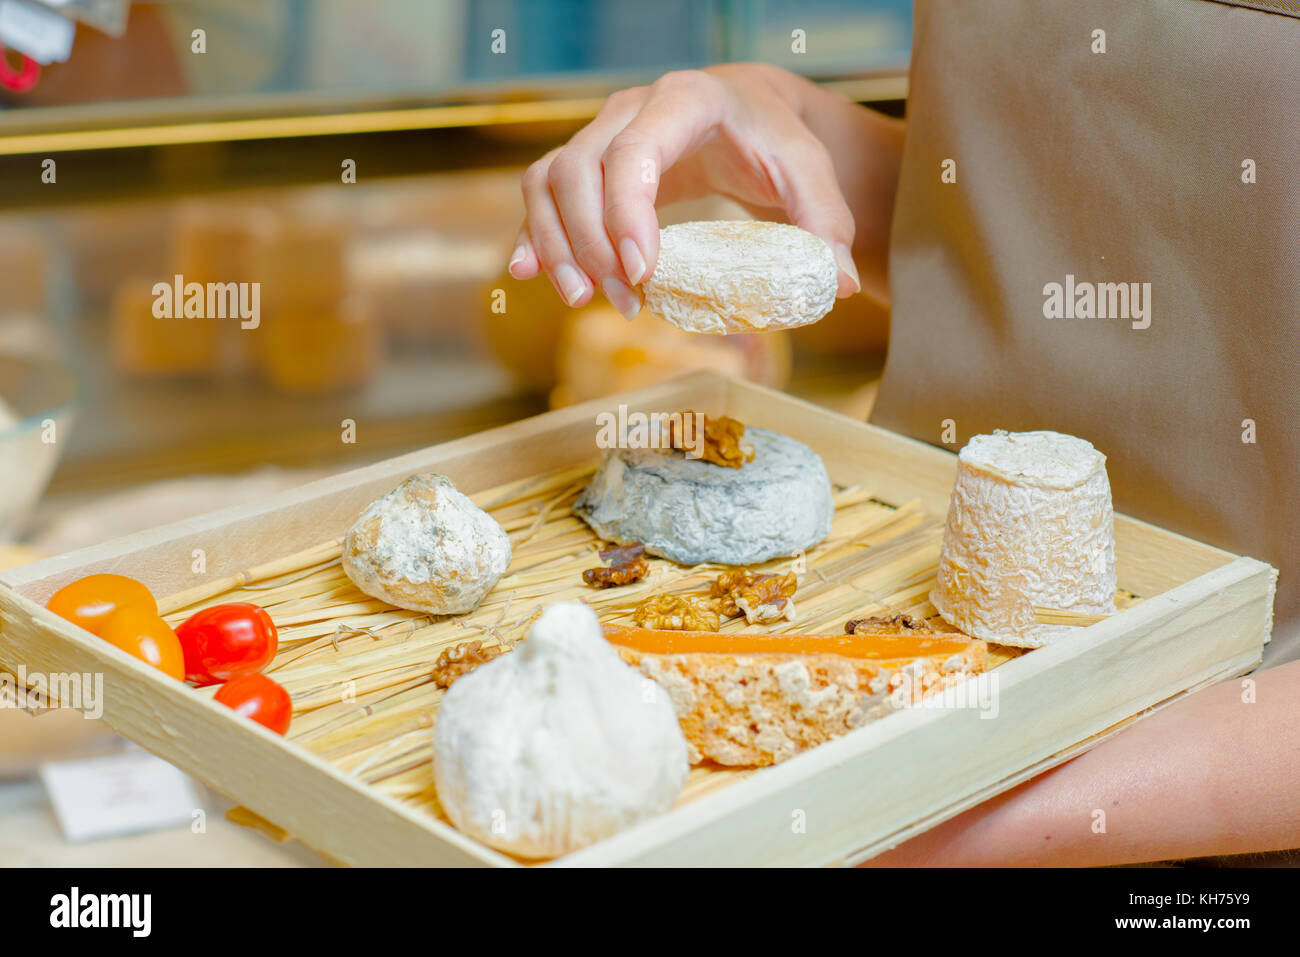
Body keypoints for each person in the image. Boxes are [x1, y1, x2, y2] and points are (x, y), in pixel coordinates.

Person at [507, 0, 1300, 866]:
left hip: (1197, 810)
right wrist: (783, 122)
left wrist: (935, 815)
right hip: (896, 587)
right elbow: (1023, 218)